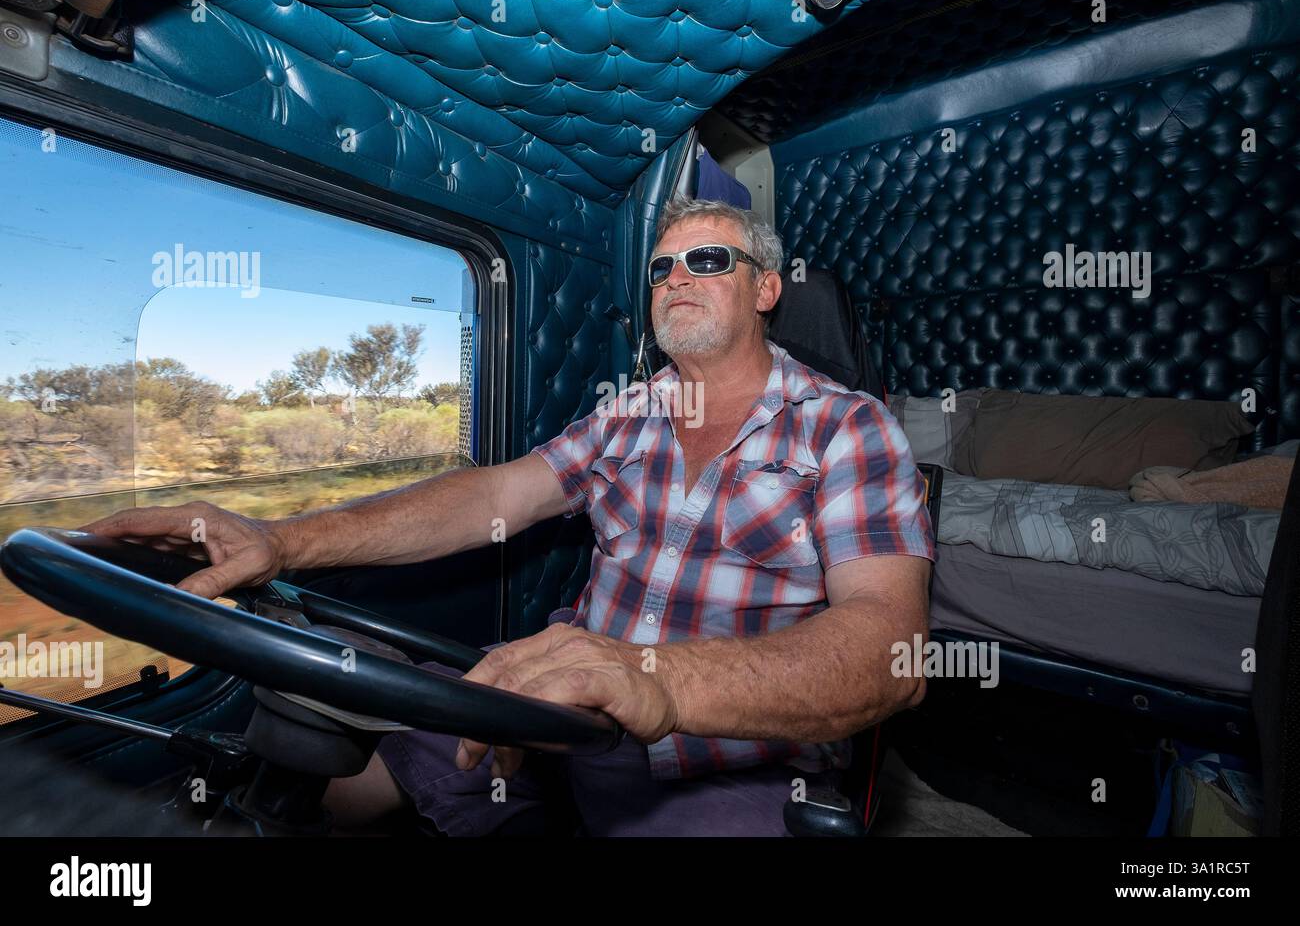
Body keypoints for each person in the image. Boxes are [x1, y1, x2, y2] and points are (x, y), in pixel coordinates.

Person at [83, 198, 935, 836]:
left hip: (727, 762)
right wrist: (280, 539)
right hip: (545, 713)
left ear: (767, 288)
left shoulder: (847, 429)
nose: (675, 278)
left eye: (706, 259)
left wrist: (656, 681)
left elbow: (888, 653)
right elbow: (494, 496)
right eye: (660, 268)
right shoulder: (626, 413)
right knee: (318, 776)